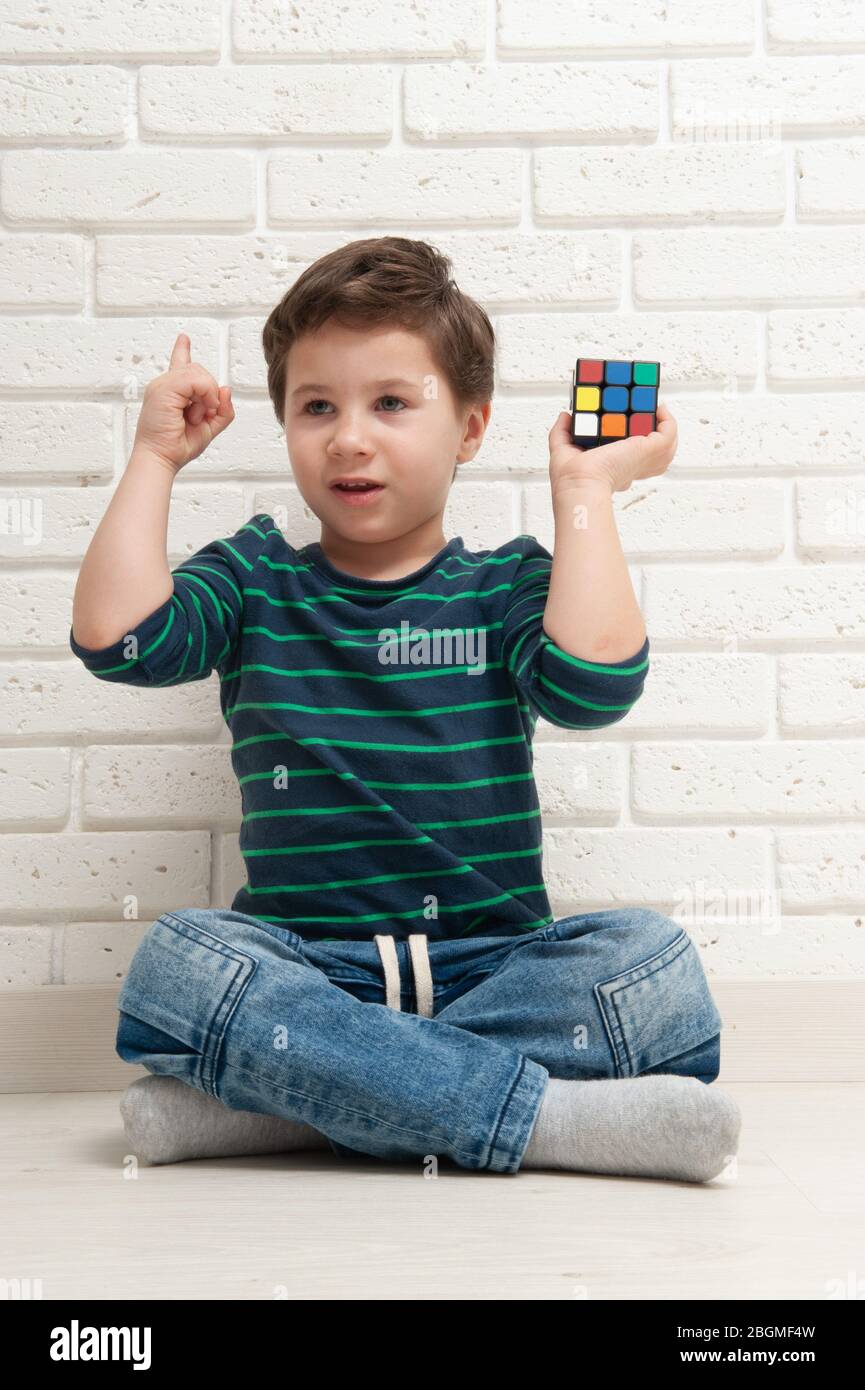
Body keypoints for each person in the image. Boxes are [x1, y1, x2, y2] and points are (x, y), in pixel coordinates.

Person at [69, 236, 740, 1182]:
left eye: (390, 403)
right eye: (316, 407)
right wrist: (154, 457)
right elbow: (118, 641)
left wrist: (585, 487)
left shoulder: (505, 586)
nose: (349, 436)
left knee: (655, 964)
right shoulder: (257, 576)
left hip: (496, 973)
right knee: (180, 964)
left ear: (469, 428)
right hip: (309, 971)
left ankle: (298, 1107)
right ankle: (544, 1121)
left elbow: (593, 690)